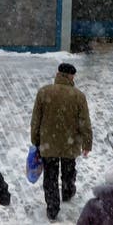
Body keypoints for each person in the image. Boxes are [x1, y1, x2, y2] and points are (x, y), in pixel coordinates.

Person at [30, 61, 93, 222]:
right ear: (70, 75)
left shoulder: (44, 92)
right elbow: (85, 122)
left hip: (48, 143)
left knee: (50, 176)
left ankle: (52, 208)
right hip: (70, 145)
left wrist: (35, 140)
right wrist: (87, 144)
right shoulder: (78, 96)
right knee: (69, 170)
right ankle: (67, 191)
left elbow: (35, 120)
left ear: (58, 74)